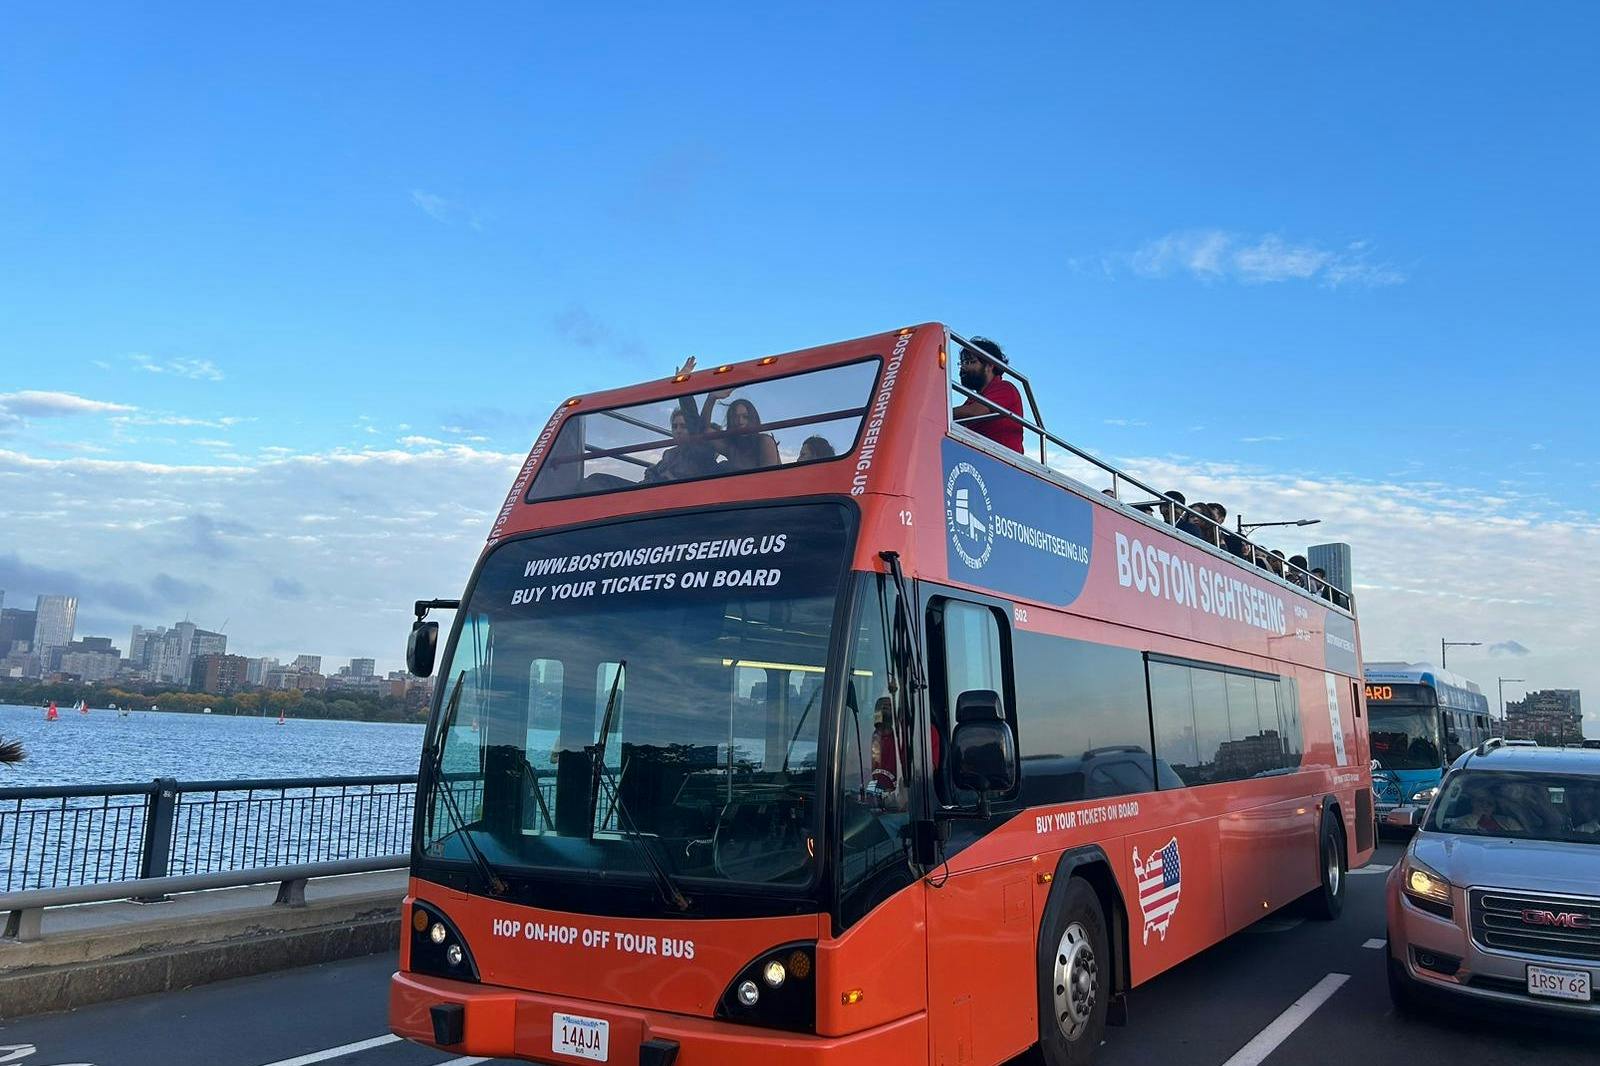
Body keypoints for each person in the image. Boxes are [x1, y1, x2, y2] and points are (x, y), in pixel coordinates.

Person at [951, 336, 1024, 453]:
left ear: (990, 365)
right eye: (962, 363)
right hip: (980, 456)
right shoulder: (973, 399)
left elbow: (974, 412)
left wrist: (940, 412)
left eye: (970, 362)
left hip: (1001, 460)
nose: (964, 367)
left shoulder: (1005, 388)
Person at [643, 406, 720, 484]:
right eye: (674, 426)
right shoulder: (669, 454)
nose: (678, 430)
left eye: (683, 426)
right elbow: (652, 472)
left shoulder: (700, 455)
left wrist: (670, 478)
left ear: (692, 429)